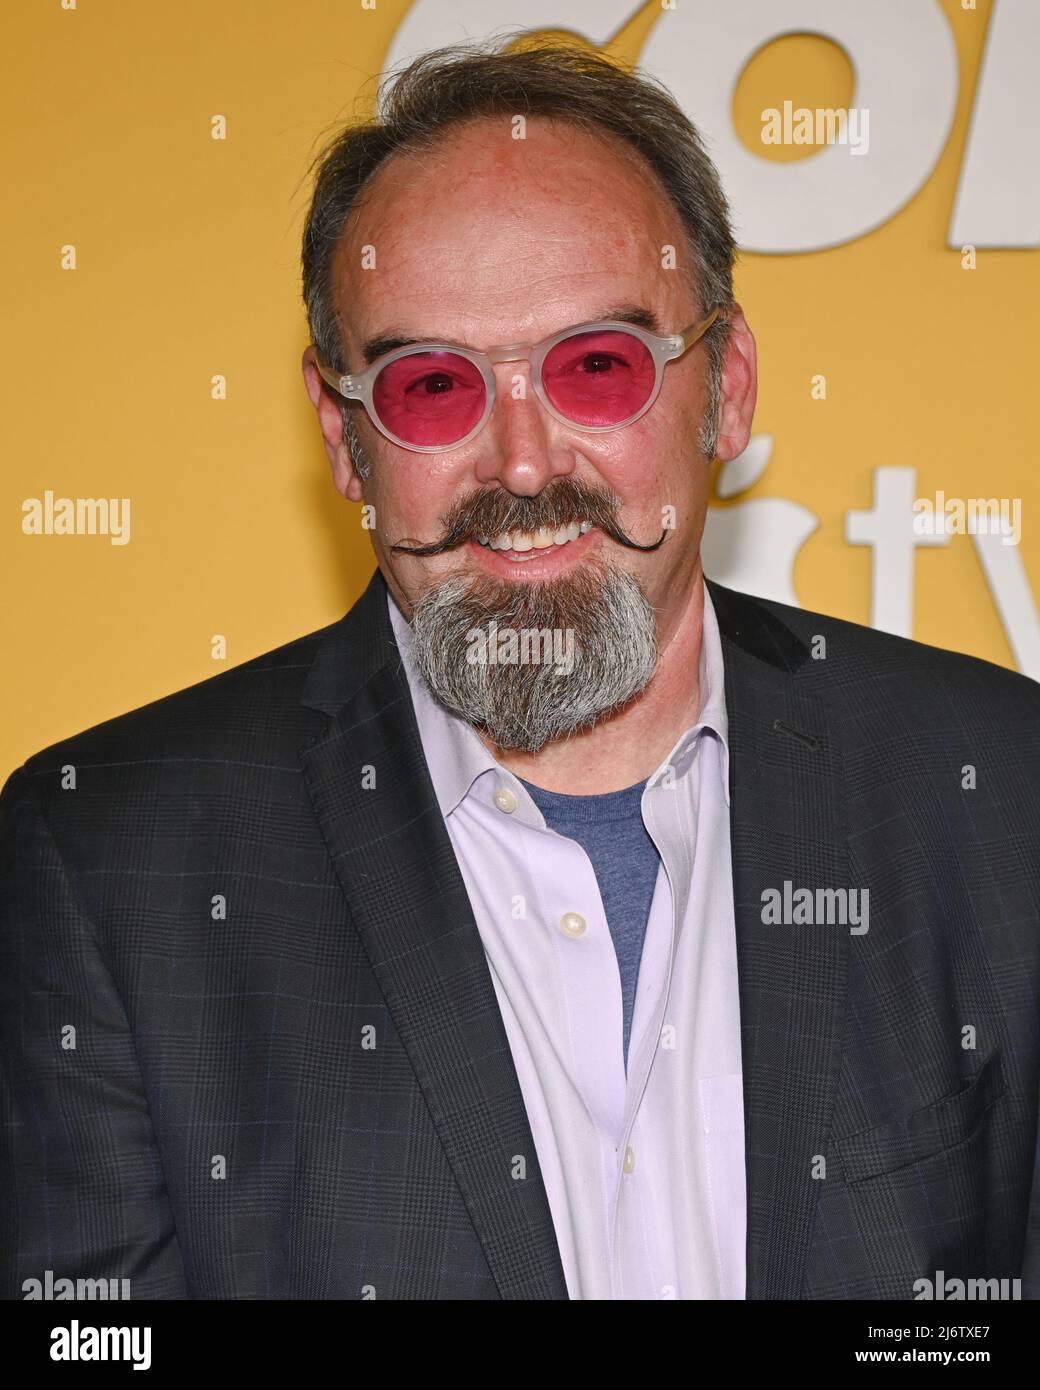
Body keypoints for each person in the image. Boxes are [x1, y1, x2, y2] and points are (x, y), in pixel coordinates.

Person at [2, 38, 1038, 1302]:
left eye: (594, 367)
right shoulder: (106, 860)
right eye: (433, 386)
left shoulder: (994, 793)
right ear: (343, 438)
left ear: (725, 390)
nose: (525, 462)